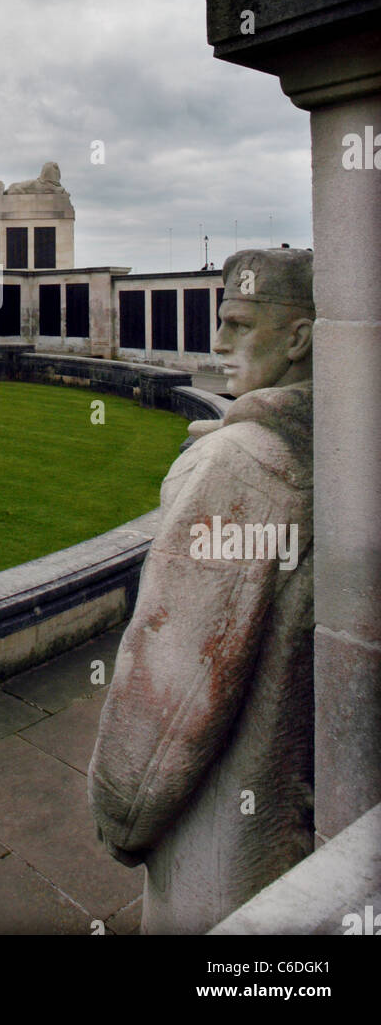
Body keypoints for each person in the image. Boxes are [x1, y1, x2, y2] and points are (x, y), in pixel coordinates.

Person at [88, 248, 315, 934]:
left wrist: (117, 816)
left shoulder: (240, 466)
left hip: (227, 859)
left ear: (300, 338)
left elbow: (167, 705)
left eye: (239, 324)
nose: (216, 344)